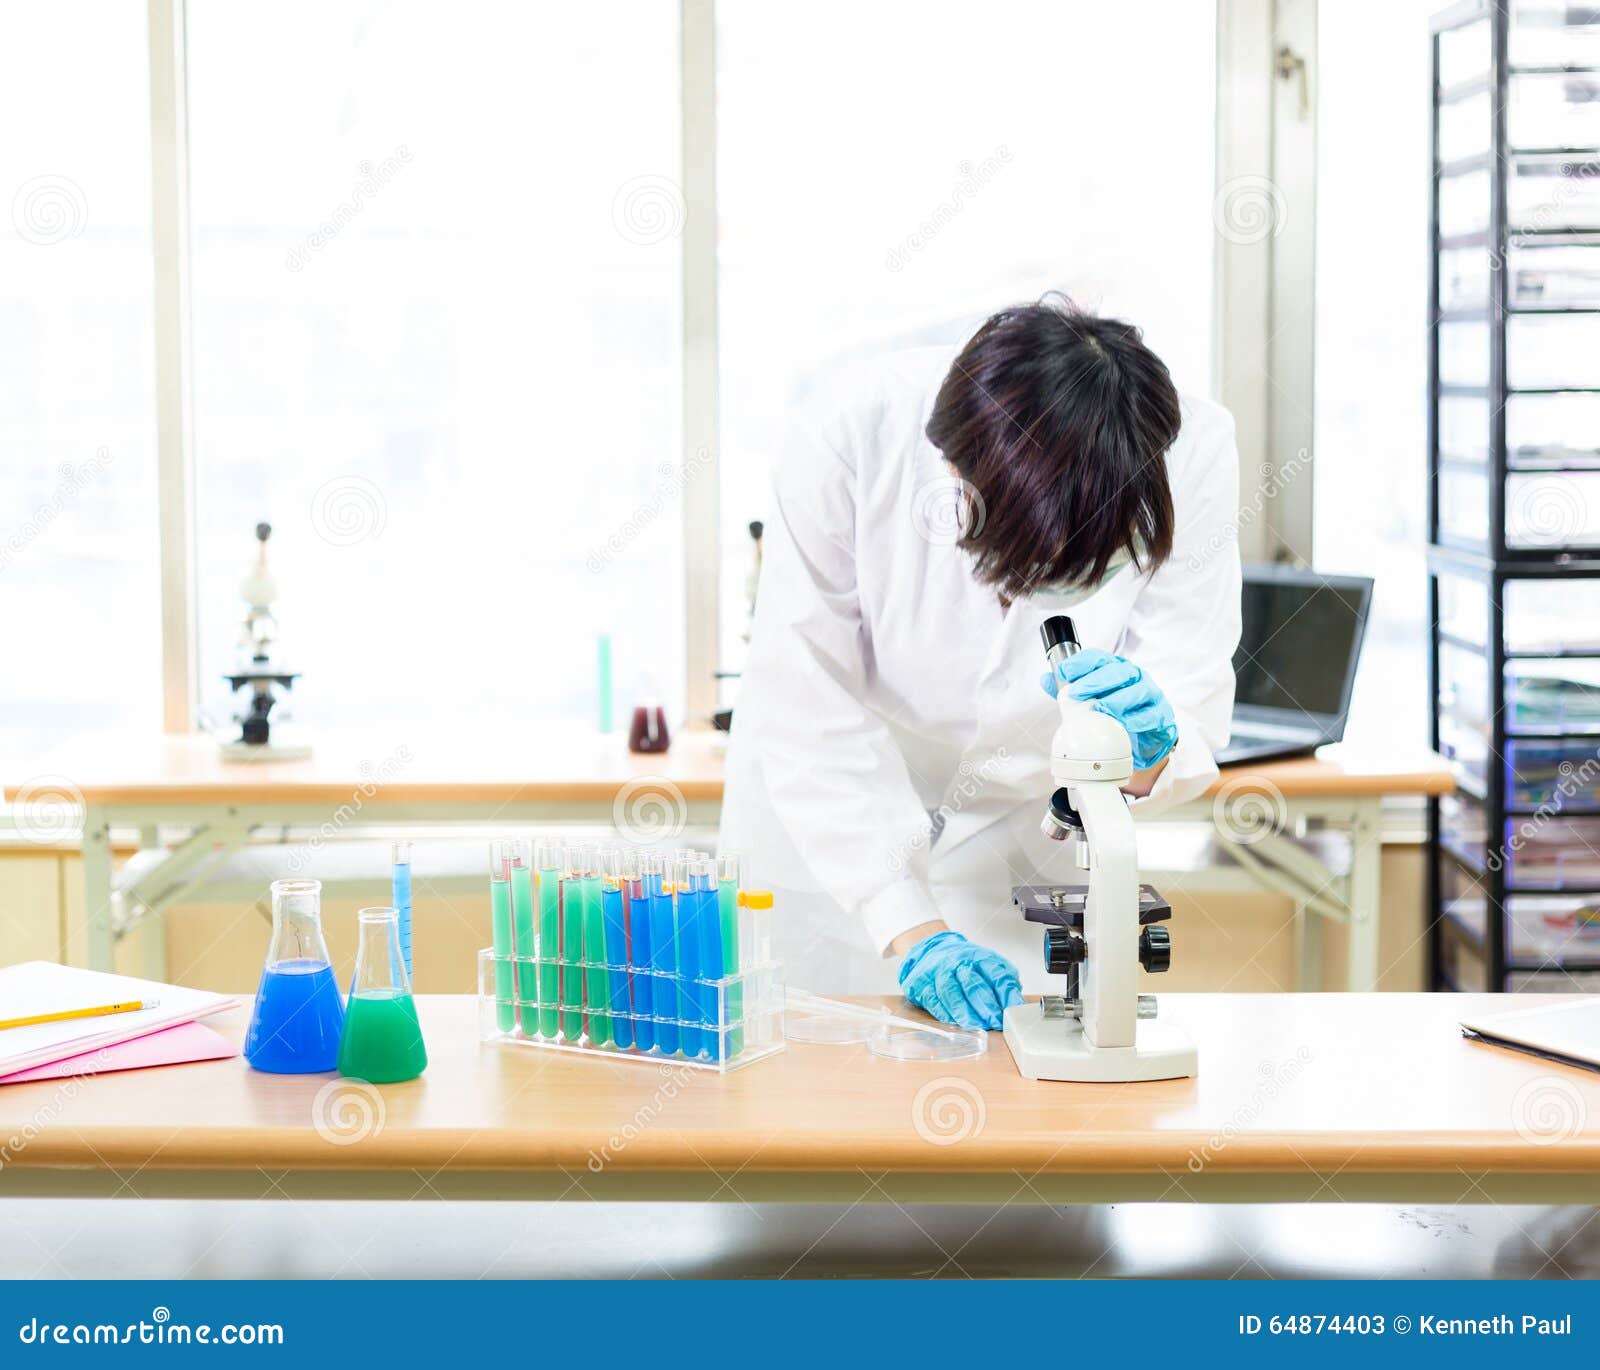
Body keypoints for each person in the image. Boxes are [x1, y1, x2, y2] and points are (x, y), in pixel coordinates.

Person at [719, 297, 1242, 1031]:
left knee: (1027, 1096)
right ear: (956, 476)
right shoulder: (849, 435)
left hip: (1023, 841)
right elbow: (807, 702)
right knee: (813, 1099)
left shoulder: (1193, 453)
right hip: (830, 836)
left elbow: (1187, 691)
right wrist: (910, 926)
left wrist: (1149, 749)